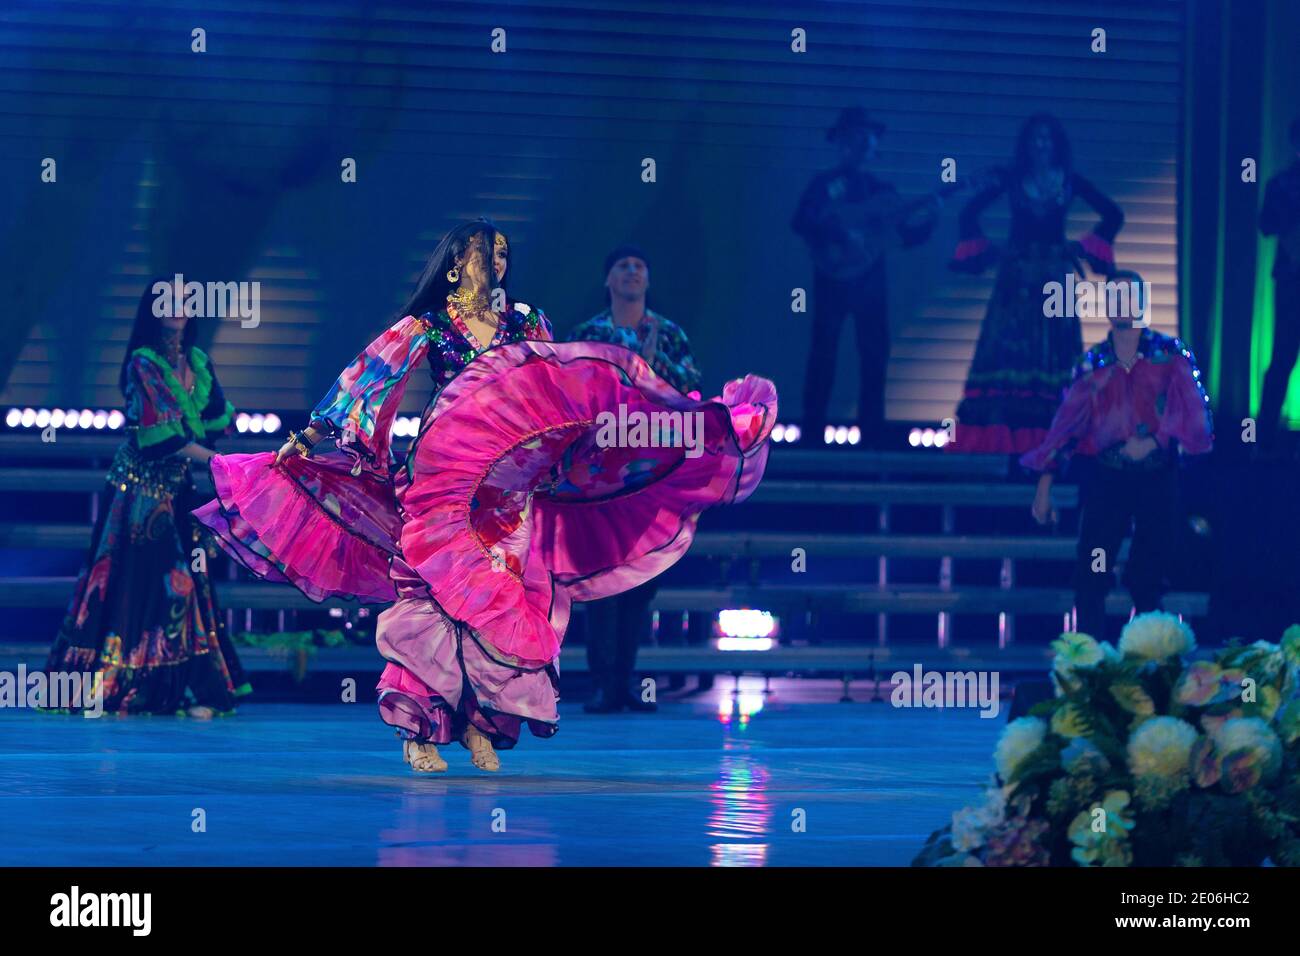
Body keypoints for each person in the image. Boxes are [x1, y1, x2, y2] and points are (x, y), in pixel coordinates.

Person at [196, 219, 776, 772]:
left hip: (510, 493)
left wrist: (598, 446)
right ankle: (418, 727)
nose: (495, 259)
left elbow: (559, 393)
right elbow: (364, 378)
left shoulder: (525, 322)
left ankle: (481, 722)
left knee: (497, 608)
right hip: (442, 478)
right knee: (433, 602)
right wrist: (309, 437)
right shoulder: (429, 325)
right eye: (482, 249)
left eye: (501, 251)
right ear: (454, 265)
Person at [45, 277, 250, 716]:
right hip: (138, 496)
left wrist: (236, 459)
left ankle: (186, 690)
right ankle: (141, 686)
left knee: (188, 584)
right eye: (167, 301)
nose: (177, 307)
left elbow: (215, 421)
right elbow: (166, 439)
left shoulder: (198, 362)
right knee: (153, 589)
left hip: (177, 491)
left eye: (184, 301)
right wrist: (221, 463)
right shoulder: (144, 364)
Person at [1022, 272, 1214, 640]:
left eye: (1130, 296)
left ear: (1142, 302)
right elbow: (1065, 428)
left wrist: (1157, 441)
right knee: (1092, 572)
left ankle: (1146, 663)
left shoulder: (1169, 353)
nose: (1122, 304)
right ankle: (1090, 662)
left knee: (1148, 576)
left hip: (1157, 476)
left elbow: (1192, 413)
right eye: (1115, 297)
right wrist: (1044, 486)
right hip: (1109, 478)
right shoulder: (1092, 363)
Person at [566, 245, 702, 713]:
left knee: (642, 578)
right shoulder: (588, 333)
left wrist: (648, 363)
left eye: (639, 267)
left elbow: (689, 389)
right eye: (622, 266)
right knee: (602, 576)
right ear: (608, 280)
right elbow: (569, 393)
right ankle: (602, 684)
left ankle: (626, 679)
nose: (631, 273)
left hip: (652, 469)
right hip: (600, 473)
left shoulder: (669, 335)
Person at [948, 113, 1124, 455]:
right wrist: (989, 251)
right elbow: (968, 213)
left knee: (1053, 353)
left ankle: (1053, 443)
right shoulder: (1012, 180)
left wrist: (1083, 246)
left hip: (1054, 280)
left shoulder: (1069, 181)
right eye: (1035, 137)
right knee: (1009, 353)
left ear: (1056, 144)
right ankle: (1009, 444)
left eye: (1047, 138)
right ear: (1026, 144)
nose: (1040, 143)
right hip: (1017, 279)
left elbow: (1113, 214)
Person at [792, 107, 939, 448]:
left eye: (866, 139)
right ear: (843, 142)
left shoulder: (881, 189)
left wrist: (931, 220)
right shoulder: (824, 185)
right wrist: (842, 236)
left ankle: (871, 432)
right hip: (833, 279)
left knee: (874, 354)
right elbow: (802, 221)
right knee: (824, 354)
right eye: (856, 138)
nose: (863, 145)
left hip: (870, 283)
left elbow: (903, 235)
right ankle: (812, 433)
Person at [1257, 115, 1300, 449]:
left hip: (1288, 275)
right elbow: (1267, 224)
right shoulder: (1282, 184)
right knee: (1283, 356)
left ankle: (1264, 439)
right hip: (1290, 276)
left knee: (1282, 357)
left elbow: (1266, 224)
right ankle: (1265, 437)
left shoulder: (1281, 183)